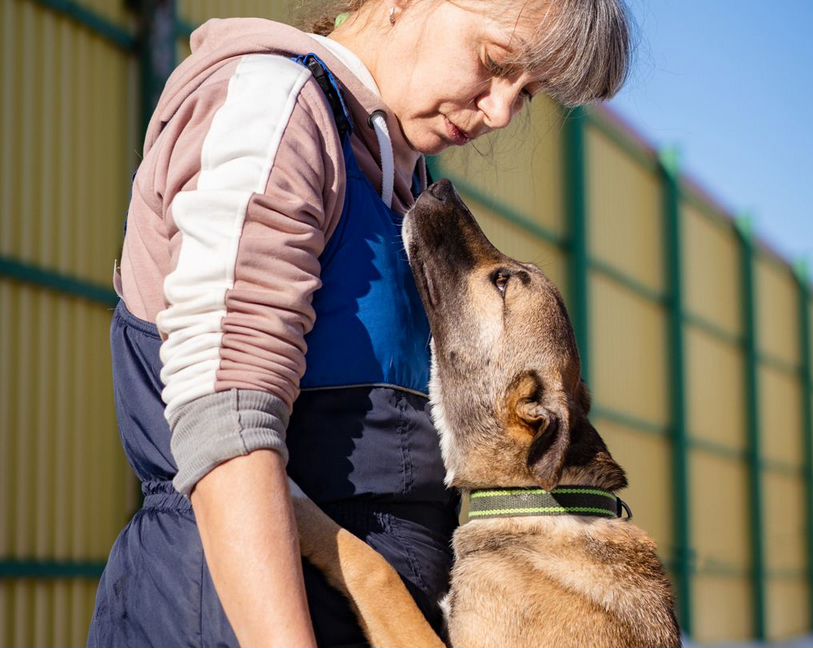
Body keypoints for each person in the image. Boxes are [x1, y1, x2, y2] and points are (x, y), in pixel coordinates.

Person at [87, 1, 631, 646]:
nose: (502, 112)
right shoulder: (274, 108)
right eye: (494, 63)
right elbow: (227, 425)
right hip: (231, 617)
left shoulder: (395, 179)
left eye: (529, 93)